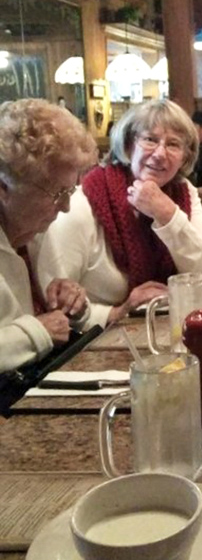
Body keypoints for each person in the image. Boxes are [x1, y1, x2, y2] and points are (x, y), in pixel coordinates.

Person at [35, 99, 202, 328]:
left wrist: (167, 215)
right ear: (128, 144)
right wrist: (118, 312)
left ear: (185, 156)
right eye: (150, 139)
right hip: (99, 340)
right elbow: (54, 302)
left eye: (173, 144)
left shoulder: (183, 192)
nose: (160, 153)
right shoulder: (84, 202)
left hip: (166, 330)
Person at [0, 99, 97, 372]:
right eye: (56, 193)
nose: (65, 207)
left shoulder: (36, 232)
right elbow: (41, 331)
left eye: (70, 191)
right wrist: (37, 332)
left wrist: (73, 306)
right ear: (3, 188)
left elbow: (58, 323)